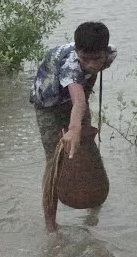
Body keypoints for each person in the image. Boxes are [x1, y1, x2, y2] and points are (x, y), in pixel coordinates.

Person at [30, 21, 117, 229]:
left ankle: (93, 206)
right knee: (54, 162)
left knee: (86, 146)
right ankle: (51, 226)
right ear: (78, 52)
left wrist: (79, 119)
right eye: (85, 59)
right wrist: (73, 128)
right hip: (48, 103)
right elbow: (78, 101)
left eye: (97, 59)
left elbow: (84, 89)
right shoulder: (70, 65)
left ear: (105, 52)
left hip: (75, 95)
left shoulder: (111, 55)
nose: (91, 65)